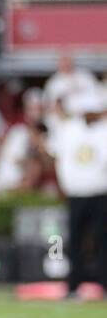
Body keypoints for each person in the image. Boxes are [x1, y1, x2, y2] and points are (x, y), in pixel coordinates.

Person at [43, 90, 107, 296]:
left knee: (102, 239)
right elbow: (58, 157)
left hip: (100, 192)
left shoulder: (103, 130)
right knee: (75, 240)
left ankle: (103, 283)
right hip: (77, 193)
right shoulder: (69, 130)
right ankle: (74, 284)